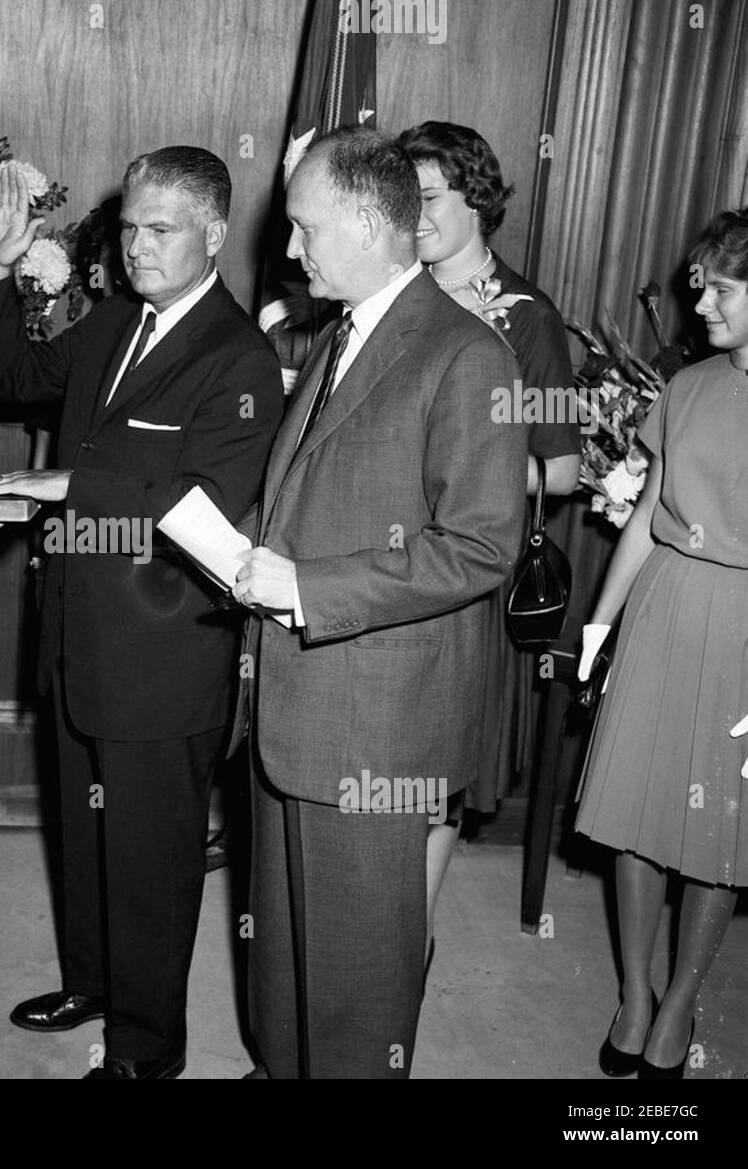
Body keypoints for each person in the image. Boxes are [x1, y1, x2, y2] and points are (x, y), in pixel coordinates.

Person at [0, 148, 284, 1078]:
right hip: (74, 631)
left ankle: (145, 1052)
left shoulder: (239, 357)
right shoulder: (112, 322)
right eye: (127, 228)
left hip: (162, 651)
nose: (134, 248)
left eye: (159, 230)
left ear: (214, 235)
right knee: (85, 831)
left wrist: (71, 481)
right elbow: (14, 378)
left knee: (148, 861)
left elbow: (206, 504)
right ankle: (93, 983)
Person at [231, 127, 527, 1078]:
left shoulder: (467, 357)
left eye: (306, 227)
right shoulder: (343, 334)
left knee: (358, 983)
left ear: (367, 224)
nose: (290, 248)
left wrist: (307, 588)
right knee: (282, 954)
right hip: (296, 701)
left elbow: (483, 544)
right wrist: (231, 542)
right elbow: (309, 491)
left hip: (375, 730)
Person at [397, 121, 582, 959]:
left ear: (478, 200)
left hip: (466, 575)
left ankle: (409, 949)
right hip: (387, 569)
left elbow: (567, 471)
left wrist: (466, 477)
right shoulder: (397, 294)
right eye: (405, 199)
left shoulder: (526, 319)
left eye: (429, 197)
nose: (414, 214)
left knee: (432, 781)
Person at [575, 208, 748, 1079]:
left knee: (720, 827)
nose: (699, 301)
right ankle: (635, 991)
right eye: (700, 282)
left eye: (721, 287)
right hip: (667, 605)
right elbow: (646, 513)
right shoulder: (688, 387)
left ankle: (682, 996)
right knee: (634, 814)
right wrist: (601, 627)